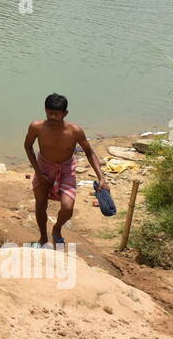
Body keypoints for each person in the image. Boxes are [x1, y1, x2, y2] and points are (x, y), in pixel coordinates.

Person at [23, 93, 109, 249]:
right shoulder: (36, 127)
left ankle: (57, 228)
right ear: (45, 110)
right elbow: (28, 146)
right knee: (40, 205)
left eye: (57, 114)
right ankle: (43, 237)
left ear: (65, 113)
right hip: (44, 167)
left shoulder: (75, 131)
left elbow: (89, 152)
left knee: (68, 208)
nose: (53, 117)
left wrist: (101, 177)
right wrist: (39, 173)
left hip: (66, 169)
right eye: (49, 113)